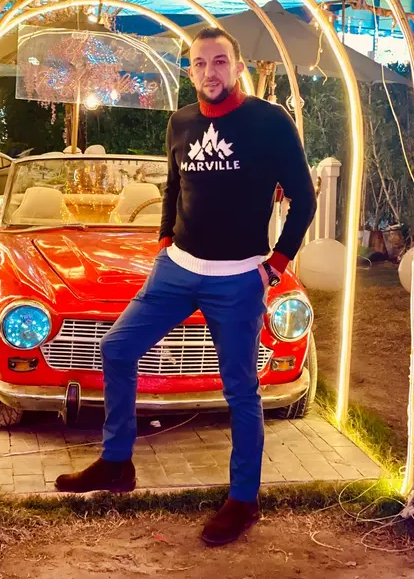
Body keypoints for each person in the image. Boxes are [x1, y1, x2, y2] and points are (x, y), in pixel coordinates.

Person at [55, 27, 317, 546]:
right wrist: (163, 240)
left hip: (238, 278)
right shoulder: (181, 121)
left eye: (220, 61)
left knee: (240, 390)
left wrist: (275, 265)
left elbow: (304, 200)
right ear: (190, 70)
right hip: (176, 270)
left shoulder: (269, 122)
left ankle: (243, 499)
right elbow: (174, 184)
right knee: (116, 347)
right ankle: (116, 464)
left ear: (237, 67)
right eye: (199, 63)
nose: (209, 72)